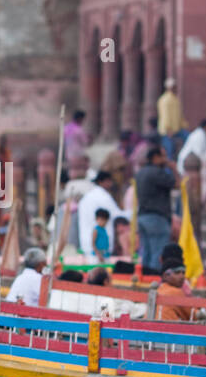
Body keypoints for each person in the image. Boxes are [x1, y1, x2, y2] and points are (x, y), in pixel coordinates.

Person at [134, 144, 177, 273]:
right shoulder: (157, 172)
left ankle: (145, 280)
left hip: (142, 217)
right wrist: (174, 169)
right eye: (163, 156)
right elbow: (176, 184)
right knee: (157, 254)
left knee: (146, 253)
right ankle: (153, 282)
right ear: (155, 157)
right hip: (156, 218)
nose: (166, 159)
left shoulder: (140, 172)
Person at [76, 171, 125, 259]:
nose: (111, 184)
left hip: (86, 243)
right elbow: (117, 215)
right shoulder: (103, 197)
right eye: (109, 181)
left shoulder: (86, 197)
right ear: (101, 182)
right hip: (99, 247)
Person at [156, 78, 186, 160]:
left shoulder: (175, 99)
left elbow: (179, 115)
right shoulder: (165, 100)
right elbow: (165, 115)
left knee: (188, 139)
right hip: (167, 131)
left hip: (177, 129)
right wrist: (168, 129)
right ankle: (167, 171)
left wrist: (184, 126)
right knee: (168, 152)